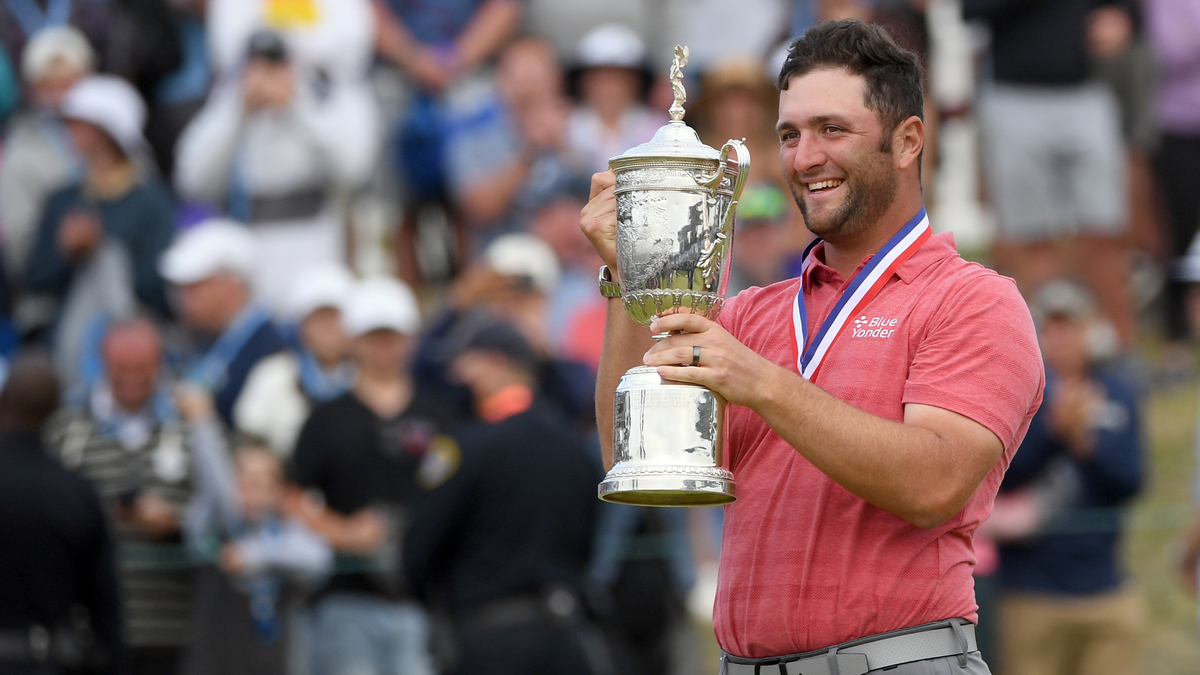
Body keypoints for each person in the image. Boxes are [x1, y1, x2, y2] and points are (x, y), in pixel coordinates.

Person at [578, 19, 1044, 673]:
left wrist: (764, 384)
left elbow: (934, 484)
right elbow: (636, 453)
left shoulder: (973, 300)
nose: (803, 158)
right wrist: (632, 274)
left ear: (908, 140)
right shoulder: (749, 314)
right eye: (790, 134)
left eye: (832, 129)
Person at [405, 314, 603, 675]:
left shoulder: (464, 448)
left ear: (495, 363)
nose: (455, 377)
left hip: (489, 642)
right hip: (568, 637)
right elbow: (591, 543)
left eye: (464, 364)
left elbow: (417, 553)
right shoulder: (575, 448)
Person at [289, 277, 454, 675]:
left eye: (392, 336)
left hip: (423, 595)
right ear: (353, 340)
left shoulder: (439, 415)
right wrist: (341, 531)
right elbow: (290, 493)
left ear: (411, 340)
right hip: (348, 594)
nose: (384, 347)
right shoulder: (327, 419)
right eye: (373, 337)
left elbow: (458, 490)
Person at [988, 280, 1143, 675]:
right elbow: (996, 479)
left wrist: (1085, 444)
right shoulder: (1009, 393)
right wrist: (1053, 434)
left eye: (1070, 326)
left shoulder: (1118, 392)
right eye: (1052, 327)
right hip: (1029, 592)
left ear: (1091, 329)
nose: (1061, 339)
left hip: (1104, 587)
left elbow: (1131, 482)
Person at [962, 0, 1134, 351]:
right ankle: (1043, 355)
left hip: (1085, 89)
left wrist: (1122, 16)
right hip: (1014, 94)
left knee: (1104, 229)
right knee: (1030, 235)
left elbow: (1122, 11)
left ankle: (1119, 352)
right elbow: (972, 11)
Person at [173, 28, 379, 312]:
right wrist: (239, 112)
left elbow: (354, 170)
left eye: (275, 63)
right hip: (251, 234)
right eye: (257, 63)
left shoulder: (324, 93)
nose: (266, 73)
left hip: (315, 234)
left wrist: (294, 106)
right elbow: (193, 181)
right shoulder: (230, 97)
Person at [43, 318, 195, 675]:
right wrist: (95, 517)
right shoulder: (65, 431)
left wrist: (177, 523)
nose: (132, 379)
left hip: (169, 626)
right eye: (122, 368)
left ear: (161, 364)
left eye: (143, 368)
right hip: (86, 629)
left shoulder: (189, 427)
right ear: (102, 363)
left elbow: (222, 515)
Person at [24, 73, 175, 378]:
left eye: (78, 123)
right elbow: (34, 279)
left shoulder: (151, 202)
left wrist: (103, 247)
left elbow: (159, 290)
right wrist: (66, 252)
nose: (68, 131)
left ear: (104, 131)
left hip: (132, 353)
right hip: (64, 350)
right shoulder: (62, 199)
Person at [181, 388, 332, 675]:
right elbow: (216, 486)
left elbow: (318, 558)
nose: (253, 491)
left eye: (263, 482)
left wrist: (254, 555)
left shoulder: (283, 534)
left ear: (279, 489)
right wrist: (201, 423)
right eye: (245, 480)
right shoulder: (215, 525)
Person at [0, 353, 123, 675]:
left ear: (3, 402)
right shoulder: (76, 493)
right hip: (50, 660)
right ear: (56, 410)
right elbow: (104, 607)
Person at [158, 218, 287, 429]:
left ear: (230, 285)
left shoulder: (270, 349)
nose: (182, 299)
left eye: (194, 287)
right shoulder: (203, 338)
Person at [234, 263, 356, 457]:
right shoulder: (274, 373)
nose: (329, 329)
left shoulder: (367, 377)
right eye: (319, 319)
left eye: (336, 318)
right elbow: (250, 440)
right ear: (301, 326)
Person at [0, 25, 91, 284]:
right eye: (50, 85)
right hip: (55, 292)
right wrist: (68, 245)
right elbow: (22, 256)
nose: (62, 96)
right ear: (32, 89)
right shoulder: (20, 155)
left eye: (70, 82)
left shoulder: (116, 137)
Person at [565, 23, 661, 175]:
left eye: (619, 80)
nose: (609, 88)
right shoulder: (562, 127)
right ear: (583, 82)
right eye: (600, 79)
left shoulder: (659, 132)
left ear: (637, 83)